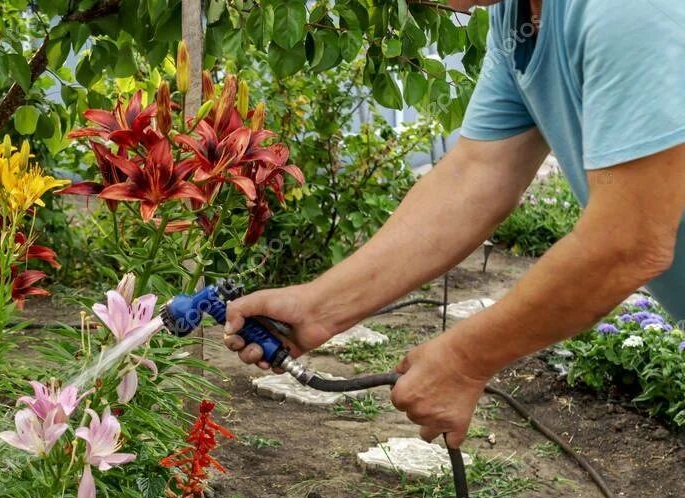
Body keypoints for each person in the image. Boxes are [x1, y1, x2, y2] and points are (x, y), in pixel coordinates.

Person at [224, 0, 685, 447]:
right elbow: (477, 175)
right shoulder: (521, 14)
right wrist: (320, 305)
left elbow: (627, 240)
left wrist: (464, 361)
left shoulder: (628, 9)